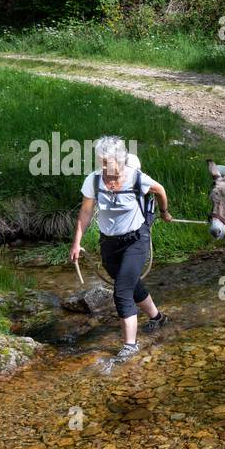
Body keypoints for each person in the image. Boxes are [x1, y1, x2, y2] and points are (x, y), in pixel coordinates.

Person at [69, 135, 173, 360]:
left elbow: (160, 189)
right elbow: (86, 212)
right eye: (100, 162)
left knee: (122, 291)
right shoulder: (94, 180)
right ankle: (157, 318)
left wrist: (164, 212)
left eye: (107, 162)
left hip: (136, 240)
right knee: (130, 283)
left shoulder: (136, 178)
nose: (103, 167)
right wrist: (76, 242)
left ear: (121, 160)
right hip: (109, 244)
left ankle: (129, 346)